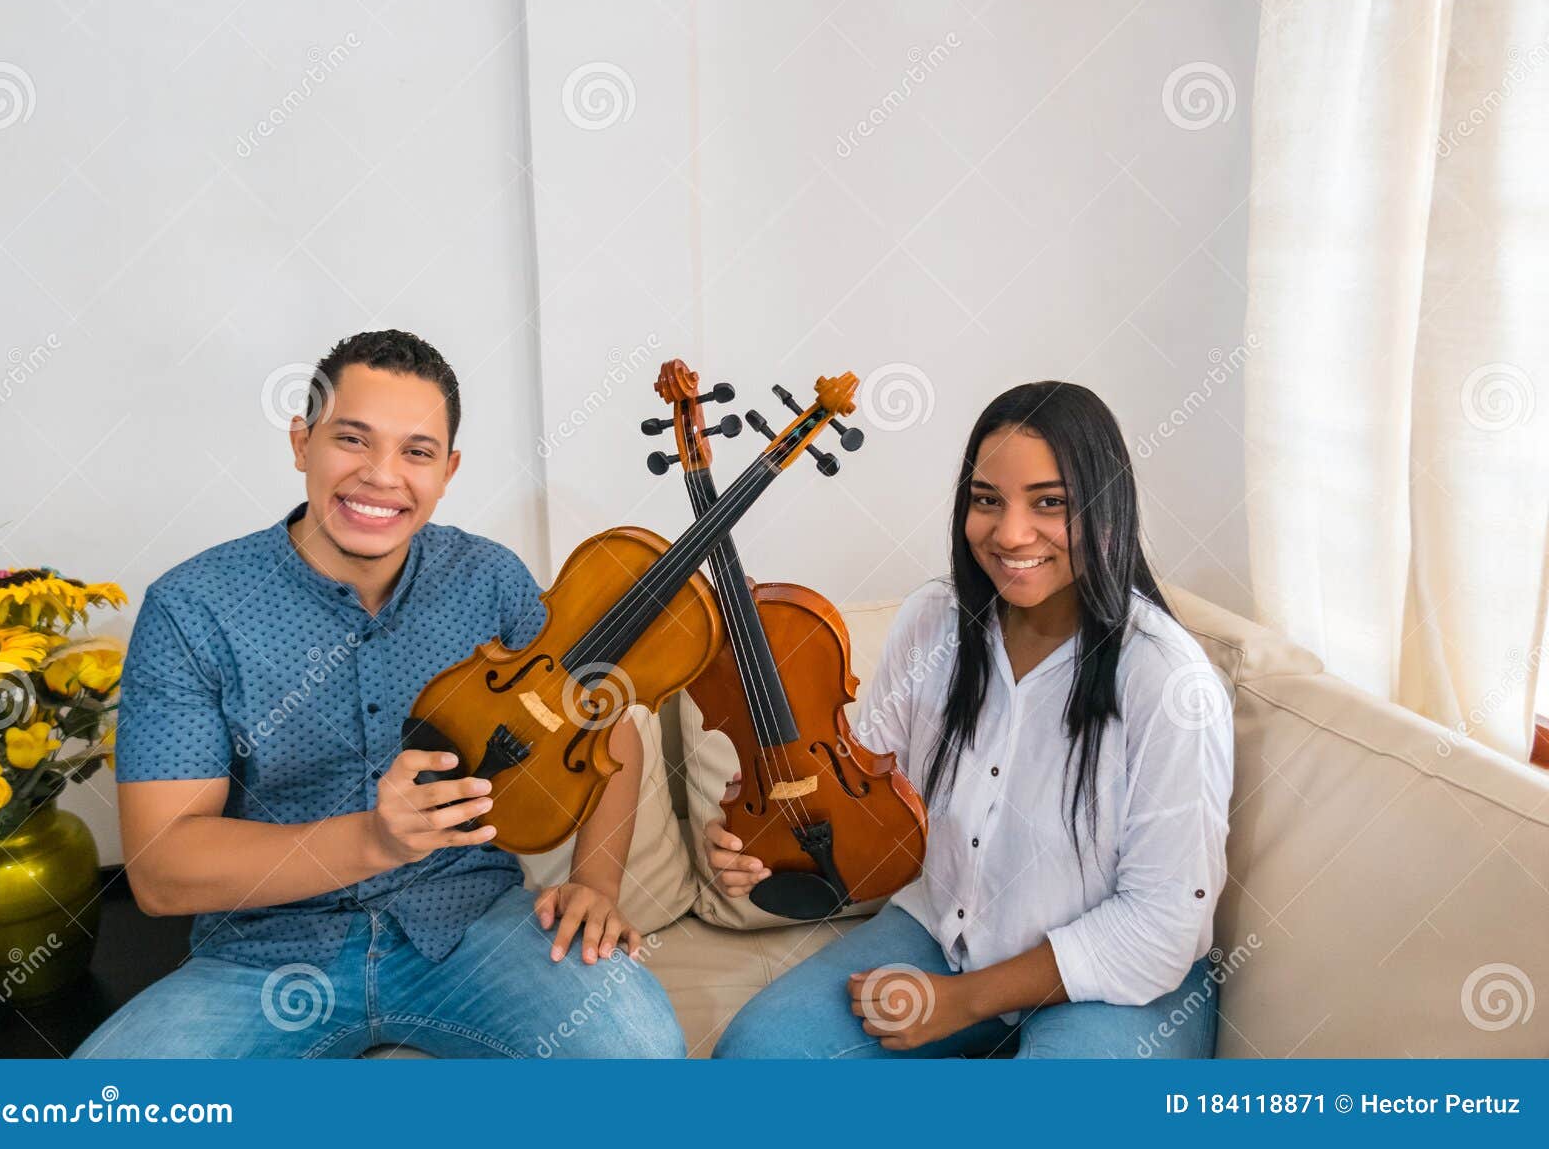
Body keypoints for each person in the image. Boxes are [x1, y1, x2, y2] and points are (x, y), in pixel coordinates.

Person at [73, 330, 684, 1058]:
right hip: (262, 952)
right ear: (301, 443)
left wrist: (596, 884)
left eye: (416, 451)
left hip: (470, 924)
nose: (381, 476)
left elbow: (608, 731)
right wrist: (375, 840)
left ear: (448, 470)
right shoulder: (192, 607)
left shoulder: (490, 579)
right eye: (352, 439)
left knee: (641, 1054)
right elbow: (161, 872)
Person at [707, 381, 1234, 1059]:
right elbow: (867, 807)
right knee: (759, 1054)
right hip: (943, 933)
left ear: (1105, 506)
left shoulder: (1168, 680)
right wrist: (764, 847)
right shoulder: (933, 620)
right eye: (987, 500)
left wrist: (960, 1002)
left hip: (1115, 977)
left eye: (1049, 502)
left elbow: (1162, 924)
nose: (1010, 533)